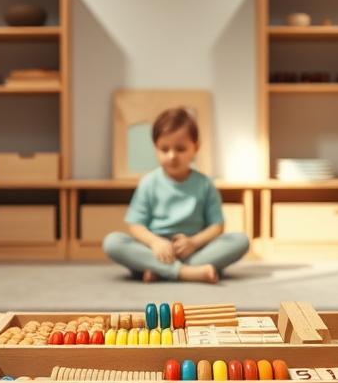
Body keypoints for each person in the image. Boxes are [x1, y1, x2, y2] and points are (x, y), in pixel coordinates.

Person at [102, 107, 250, 283]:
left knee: (240, 240)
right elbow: (135, 226)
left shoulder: (205, 184)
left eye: (180, 149)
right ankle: (186, 272)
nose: (172, 156)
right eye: (164, 149)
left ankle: (160, 270)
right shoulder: (149, 183)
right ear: (155, 148)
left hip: (194, 250)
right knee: (113, 242)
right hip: (155, 250)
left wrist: (193, 243)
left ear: (196, 147)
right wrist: (156, 243)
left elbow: (217, 226)